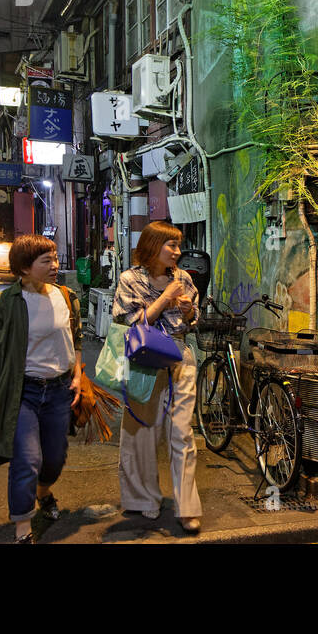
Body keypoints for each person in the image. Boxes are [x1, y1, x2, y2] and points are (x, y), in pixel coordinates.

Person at [0, 234, 83, 543]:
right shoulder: (3, 304)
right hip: (23, 392)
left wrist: (78, 375)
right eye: (46, 261)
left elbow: (76, 337)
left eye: (55, 259)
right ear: (23, 267)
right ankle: (22, 527)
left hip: (59, 390)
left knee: (55, 458)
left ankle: (43, 492)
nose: (55, 266)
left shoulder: (67, 296)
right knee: (27, 459)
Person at [112, 221, 203, 534]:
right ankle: (143, 499)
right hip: (143, 358)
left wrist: (189, 310)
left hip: (180, 356)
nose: (178, 253)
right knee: (141, 431)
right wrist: (165, 298)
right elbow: (129, 321)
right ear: (153, 247)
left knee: (182, 433)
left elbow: (192, 320)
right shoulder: (130, 279)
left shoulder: (184, 278)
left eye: (178, 246)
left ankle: (187, 508)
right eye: (171, 246)